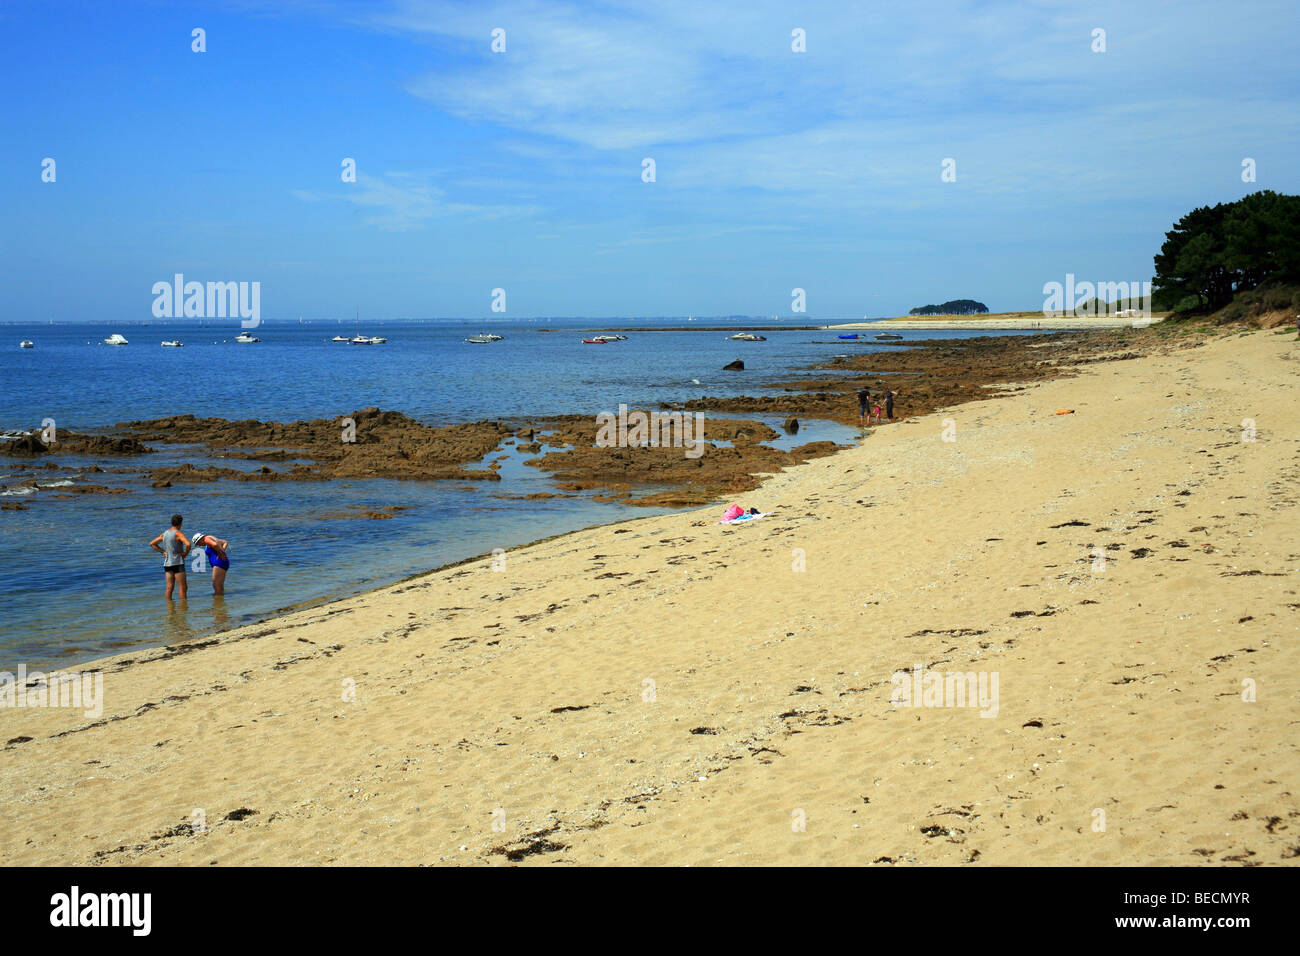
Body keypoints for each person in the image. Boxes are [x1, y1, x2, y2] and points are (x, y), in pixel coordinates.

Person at [149, 514, 191, 600]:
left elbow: (152, 543)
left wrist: (163, 552)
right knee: (183, 588)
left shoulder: (165, 533)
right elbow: (188, 544)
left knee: (169, 587)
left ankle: (169, 608)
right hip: (177, 563)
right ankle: (183, 609)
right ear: (180, 523)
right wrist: (185, 553)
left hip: (167, 563)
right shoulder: (178, 533)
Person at [189, 530, 231, 595]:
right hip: (222, 562)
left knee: (216, 585)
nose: (199, 546)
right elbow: (225, 542)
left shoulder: (206, 539)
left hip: (218, 564)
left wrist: (220, 553)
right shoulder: (211, 537)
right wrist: (223, 551)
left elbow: (215, 545)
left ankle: (217, 602)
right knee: (220, 585)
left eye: (198, 544)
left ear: (200, 539)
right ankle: (221, 601)